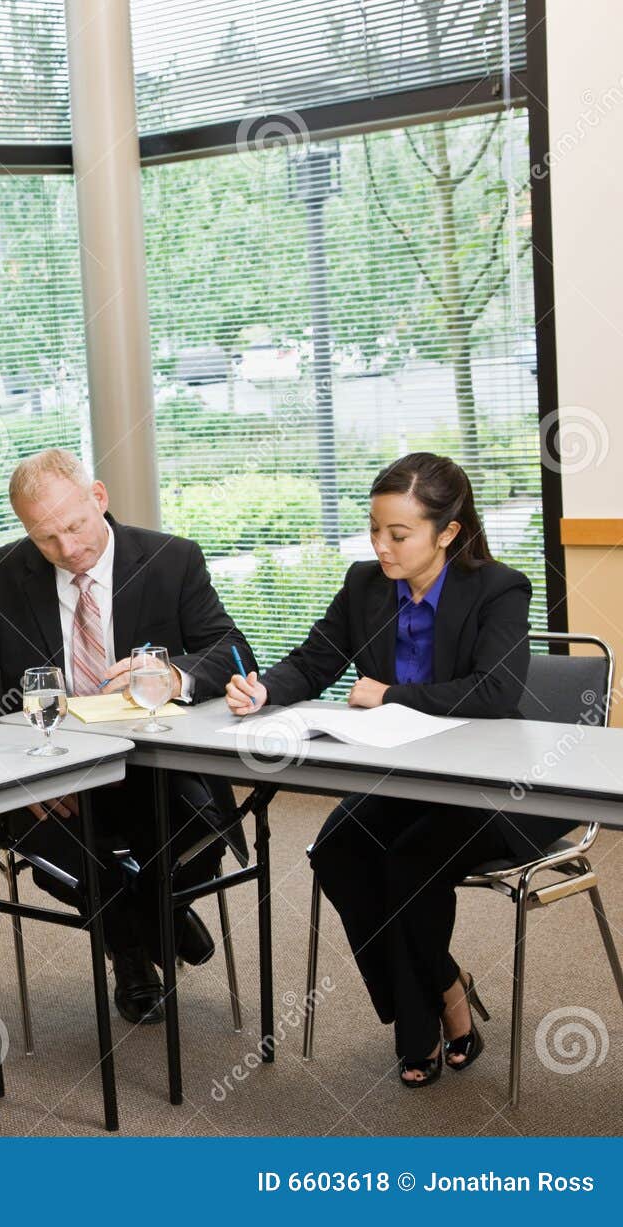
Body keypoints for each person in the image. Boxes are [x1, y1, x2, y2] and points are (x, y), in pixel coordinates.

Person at [226, 452, 539, 1087]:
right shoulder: (367, 584)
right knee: (339, 848)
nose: (381, 546)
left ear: (447, 532)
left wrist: (390, 694)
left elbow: (496, 692)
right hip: (406, 779)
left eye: (398, 534)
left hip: (488, 788)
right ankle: (446, 992)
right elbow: (316, 659)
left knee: (407, 862)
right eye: (375, 530)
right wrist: (264, 692)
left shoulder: (499, 589)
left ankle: (417, 1030)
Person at [0, 449, 252, 1024]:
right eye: (45, 537)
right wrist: (21, 769)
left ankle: (146, 922)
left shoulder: (169, 560)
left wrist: (175, 675)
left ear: (98, 498)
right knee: (68, 849)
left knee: (194, 831)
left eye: (75, 526)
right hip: (51, 775)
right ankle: (142, 944)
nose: (67, 549)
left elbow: (231, 654)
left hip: (156, 771)